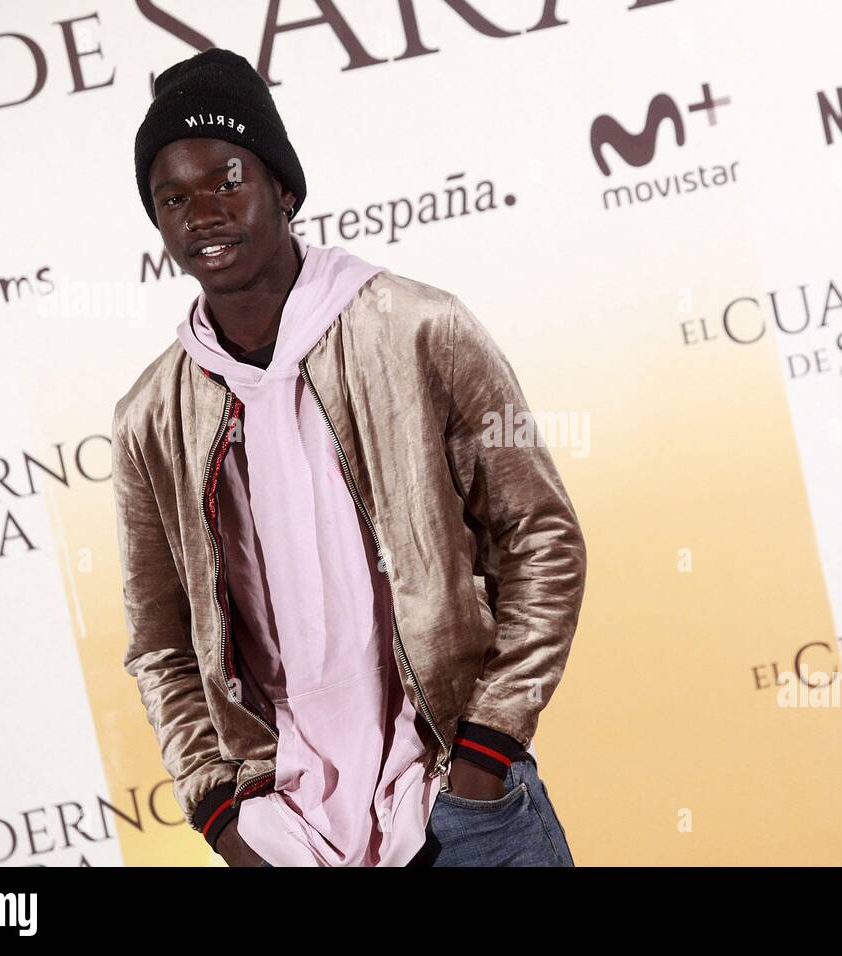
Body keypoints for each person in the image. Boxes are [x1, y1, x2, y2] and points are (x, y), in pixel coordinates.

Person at [114, 48, 586, 867]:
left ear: (284, 191)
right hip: (286, 836)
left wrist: (486, 750)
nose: (203, 212)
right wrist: (224, 814)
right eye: (173, 197)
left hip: (459, 805)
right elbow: (162, 646)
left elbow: (540, 536)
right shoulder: (151, 418)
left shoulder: (417, 330)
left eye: (228, 180)